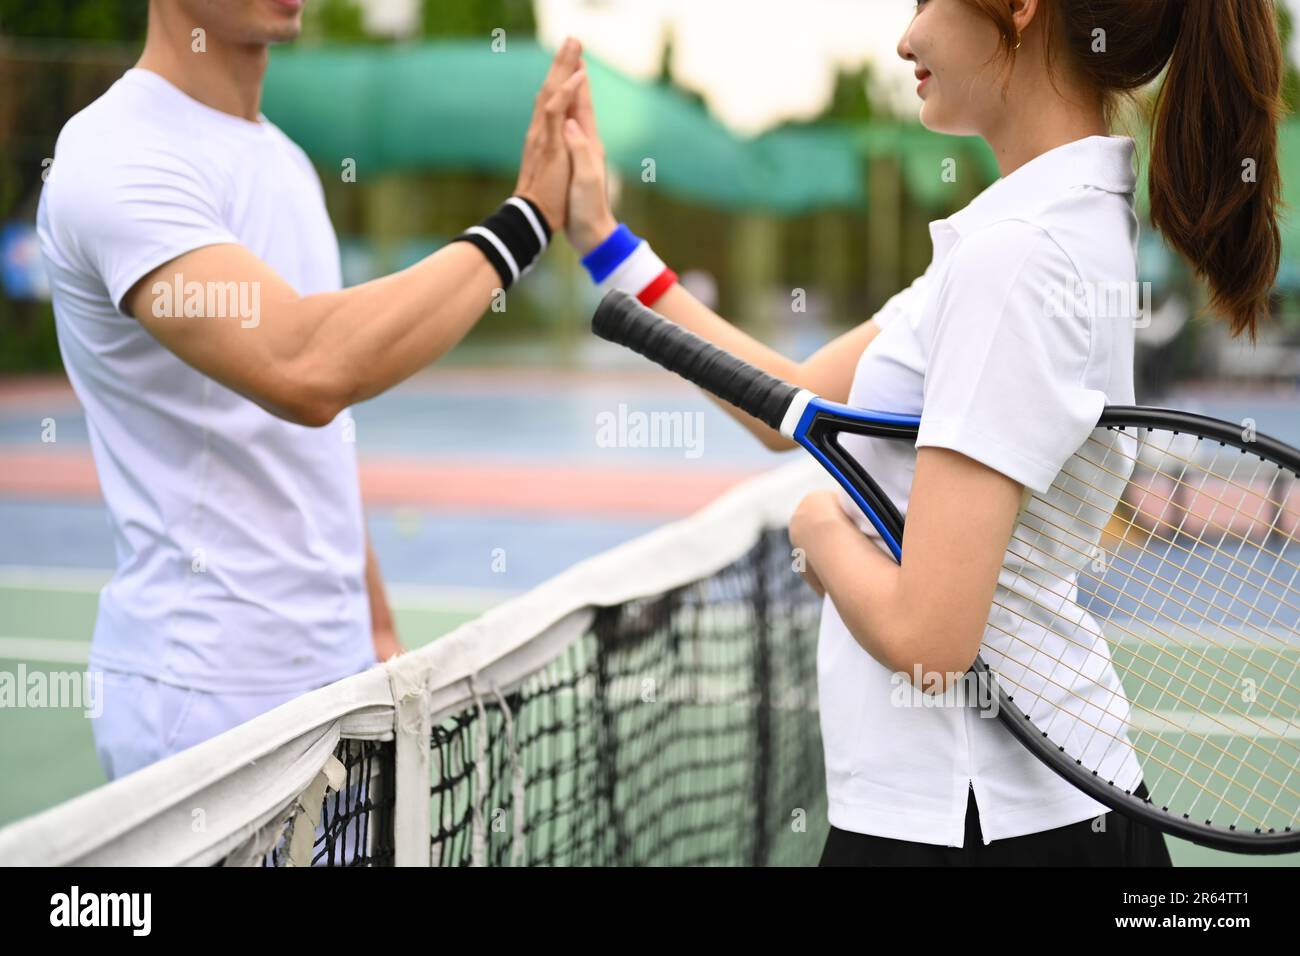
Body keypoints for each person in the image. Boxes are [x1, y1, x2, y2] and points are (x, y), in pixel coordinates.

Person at [558, 0, 1284, 864]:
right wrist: (605, 241)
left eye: (923, 2)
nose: (905, 38)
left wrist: (817, 531)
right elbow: (784, 402)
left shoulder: (1016, 255)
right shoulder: (1027, 233)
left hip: (977, 819)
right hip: (992, 811)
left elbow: (932, 638)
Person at [37, 0, 587, 781]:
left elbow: (316, 441)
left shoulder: (287, 163)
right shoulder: (113, 153)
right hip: (203, 704)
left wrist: (378, 633)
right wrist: (525, 223)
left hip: (336, 689)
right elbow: (304, 365)